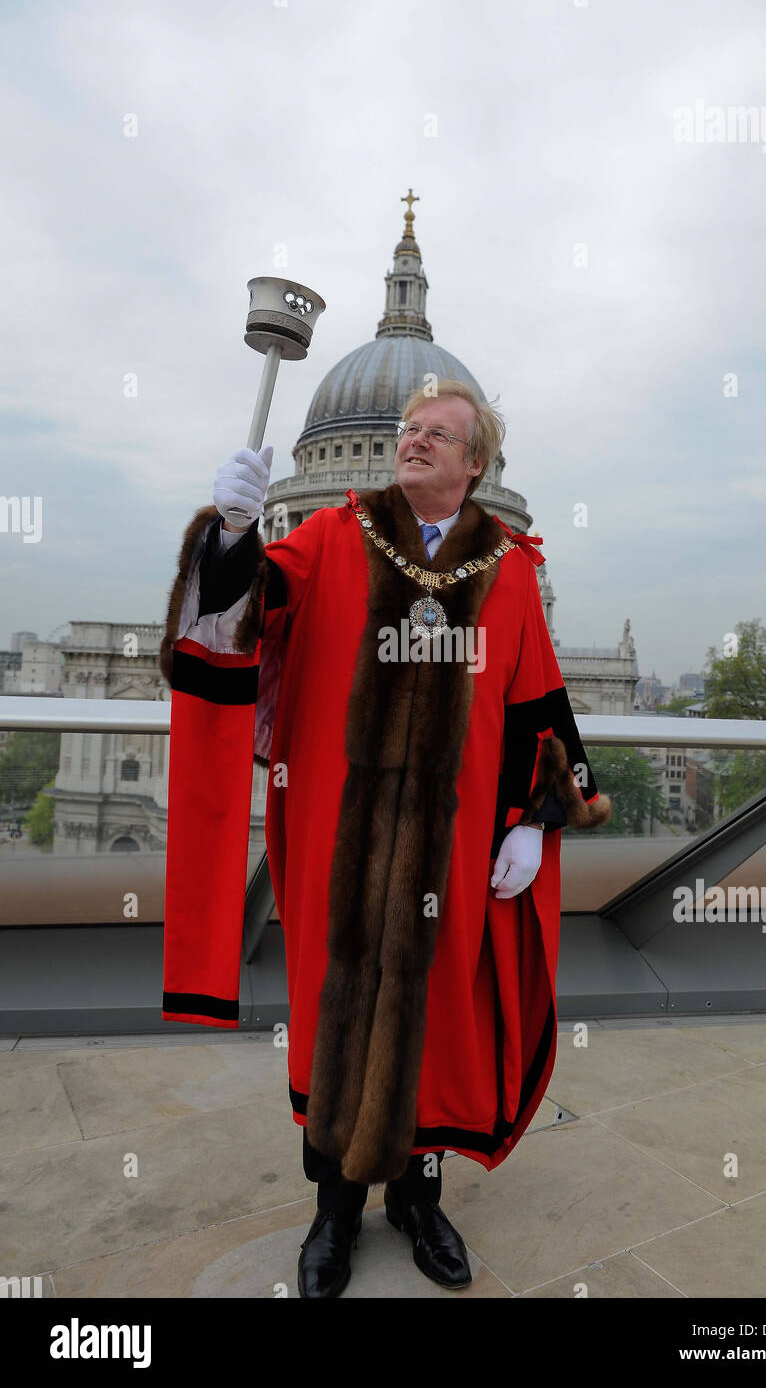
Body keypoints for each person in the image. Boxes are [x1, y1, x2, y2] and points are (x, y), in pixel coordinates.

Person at [159, 379, 611, 1298]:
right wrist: (233, 535)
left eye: (437, 434)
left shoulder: (512, 568)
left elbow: (540, 705)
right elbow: (239, 620)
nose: (412, 442)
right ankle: (332, 1216)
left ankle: (418, 1200)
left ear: (474, 464)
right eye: (407, 429)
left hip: (458, 845)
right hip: (341, 837)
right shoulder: (330, 537)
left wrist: (535, 816)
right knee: (338, 1010)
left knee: (439, 1016)